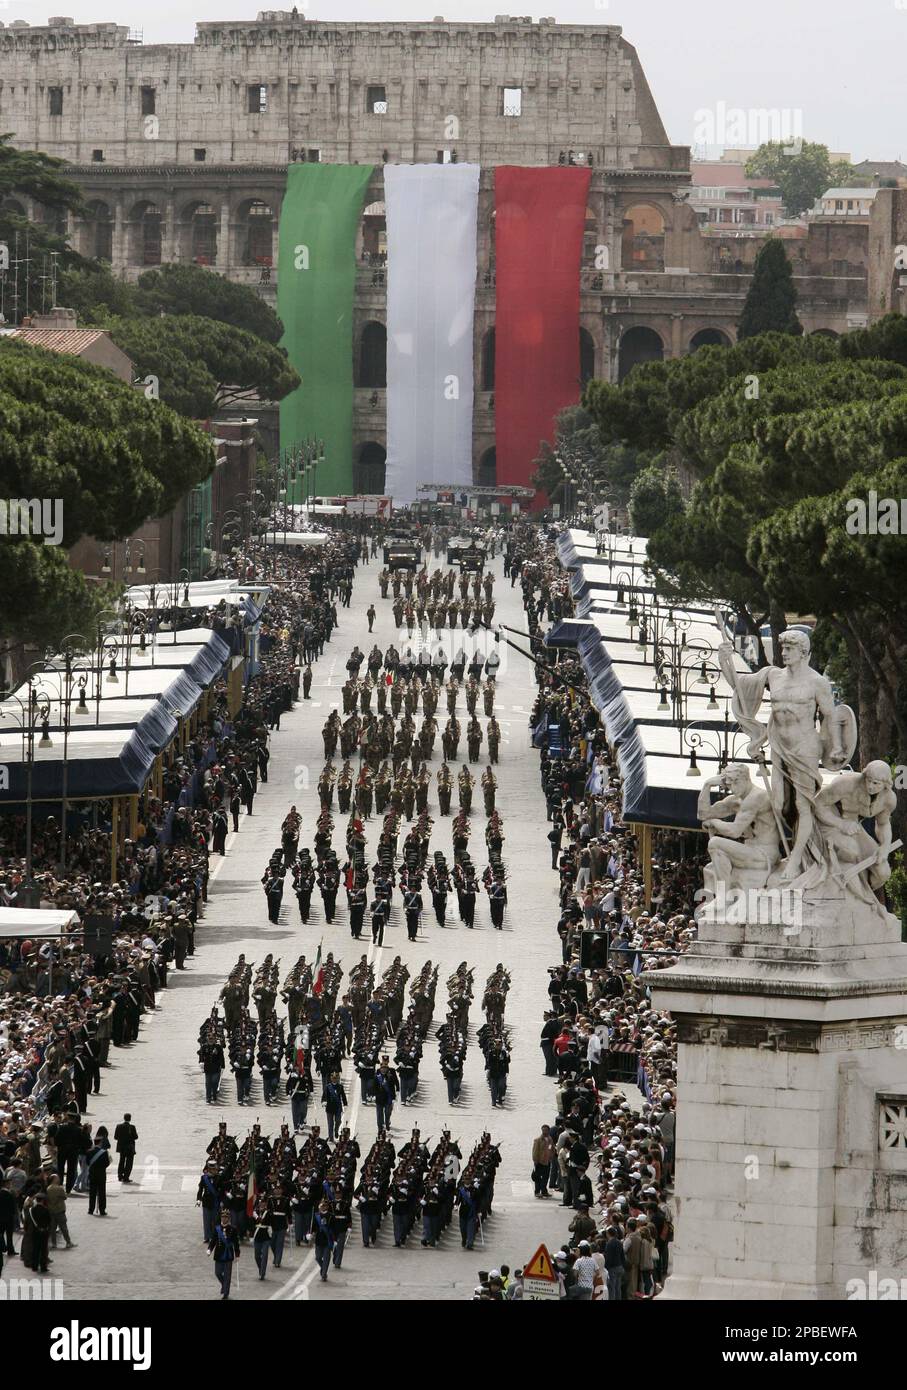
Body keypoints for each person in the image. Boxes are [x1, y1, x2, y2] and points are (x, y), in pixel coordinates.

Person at [208, 1215, 240, 1299]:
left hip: (228, 1254)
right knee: (217, 1273)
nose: (224, 1218)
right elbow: (213, 1241)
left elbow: (236, 1243)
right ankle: (224, 1284)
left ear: (229, 1218)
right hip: (219, 1254)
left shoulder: (233, 1229)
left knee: (227, 1275)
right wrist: (209, 1250)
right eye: (222, 1217)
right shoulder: (217, 1228)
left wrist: (237, 1254)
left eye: (226, 1217)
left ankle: (226, 1293)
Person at [87, 1126, 111, 1215]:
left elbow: (88, 1162)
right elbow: (107, 1163)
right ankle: (102, 1210)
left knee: (92, 1192)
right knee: (102, 1192)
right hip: (101, 1174)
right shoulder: (104, 1152)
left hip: (92, 1174)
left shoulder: (89, 1152)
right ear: (100, 1142)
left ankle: (90, 1209)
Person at [313, 1199, 336, 1281]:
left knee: (326, 1258)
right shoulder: (316, 1215)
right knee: (318, 1257)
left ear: (328, 1207)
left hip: (327, 1239)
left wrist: (335, 1240)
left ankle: (324, 1274)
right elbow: (313, 1226)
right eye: (322, 1205)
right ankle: (323, 1268)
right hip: (318, 1239)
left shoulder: (331, 1216)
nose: (323, 1207)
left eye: (325, 1206)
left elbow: (334, 1229)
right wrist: (310, 1233)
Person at [114, 1112, 138, 1182]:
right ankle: (126, 1177)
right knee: (129, 1163)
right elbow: (136, 1137)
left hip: (121, 1147)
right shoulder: (132, 1127)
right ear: (130, 1119)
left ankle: (120, 1176)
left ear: (124, 1118)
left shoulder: (118, 1126)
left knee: (121, 1161)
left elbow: (115, 1137)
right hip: (129, 1148)